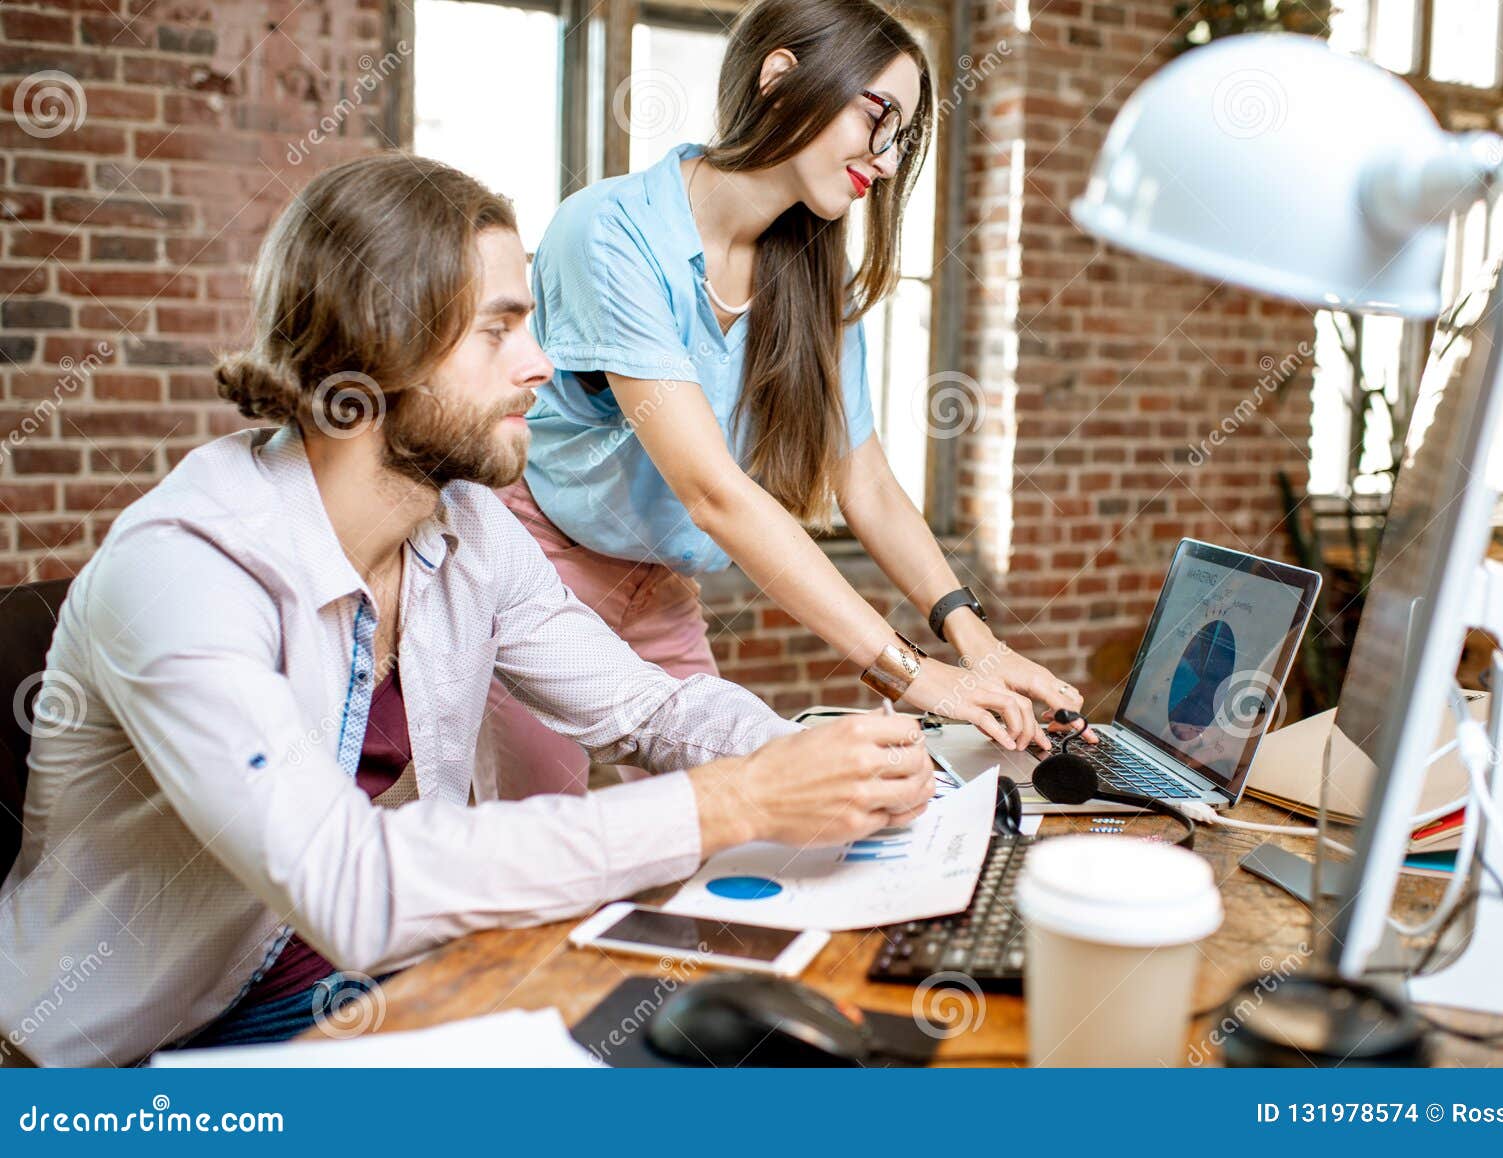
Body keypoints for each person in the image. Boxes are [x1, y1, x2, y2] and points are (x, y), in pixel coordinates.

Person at [0, 152, 934, 1068]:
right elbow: (348, 885)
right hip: (147, 1055)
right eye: (500, 331)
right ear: (380, 344)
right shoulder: (185, 570)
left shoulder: (469, 529)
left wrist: (819, 763)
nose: (543, 363)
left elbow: (652, 708)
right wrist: (737, 800)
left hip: (388, 989)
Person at [496, 0, 1095, 788]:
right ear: (781, 80)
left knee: (721, 826)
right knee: (544, 839)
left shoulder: (815, 275)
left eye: (902, 139)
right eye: (877, 118)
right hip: (540, 566)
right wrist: (914, 675)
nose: (885, 162)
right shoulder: (608, 232)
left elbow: (866, 480)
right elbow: (712, 492)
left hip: (659, 586)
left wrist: (978, 644)